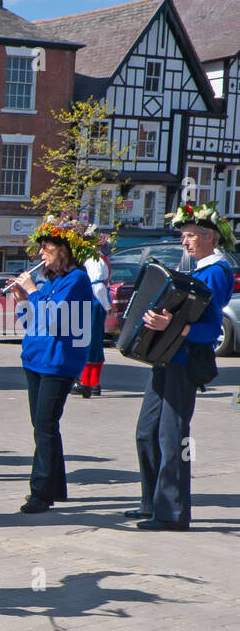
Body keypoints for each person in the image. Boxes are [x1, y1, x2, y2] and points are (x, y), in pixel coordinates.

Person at [128, 202, 235, 531]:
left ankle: (172, 513)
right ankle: (152, 501)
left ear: (211, 237)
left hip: (185, 360)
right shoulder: (198, 270)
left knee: (173, 437)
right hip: (166, 357)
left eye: (190, 235)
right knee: (147, 432)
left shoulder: (216, 272)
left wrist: (174, 327)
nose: (185, 241)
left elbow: (209, 325)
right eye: (183, 235)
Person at [14, 216, 98, 514]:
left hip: (58, 363)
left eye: (46, 248)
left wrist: (33, 292)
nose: (40, 254)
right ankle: (57, 486)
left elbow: (55, 321)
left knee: (45, 428)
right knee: (43, 425)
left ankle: (41, 492)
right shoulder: (51, 280)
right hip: (36, 359)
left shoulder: (77, 279)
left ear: (63, 250)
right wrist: (23, 299)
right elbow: (30, 321)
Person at [74, 251, 111, 398]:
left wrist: (106, 306)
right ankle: (92, 383)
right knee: (93, 342)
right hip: (93, 303)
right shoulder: (95, 259)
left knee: (88, 342)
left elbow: (98, 287)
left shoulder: (94, 260)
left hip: (94, 303)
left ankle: (86, 382)